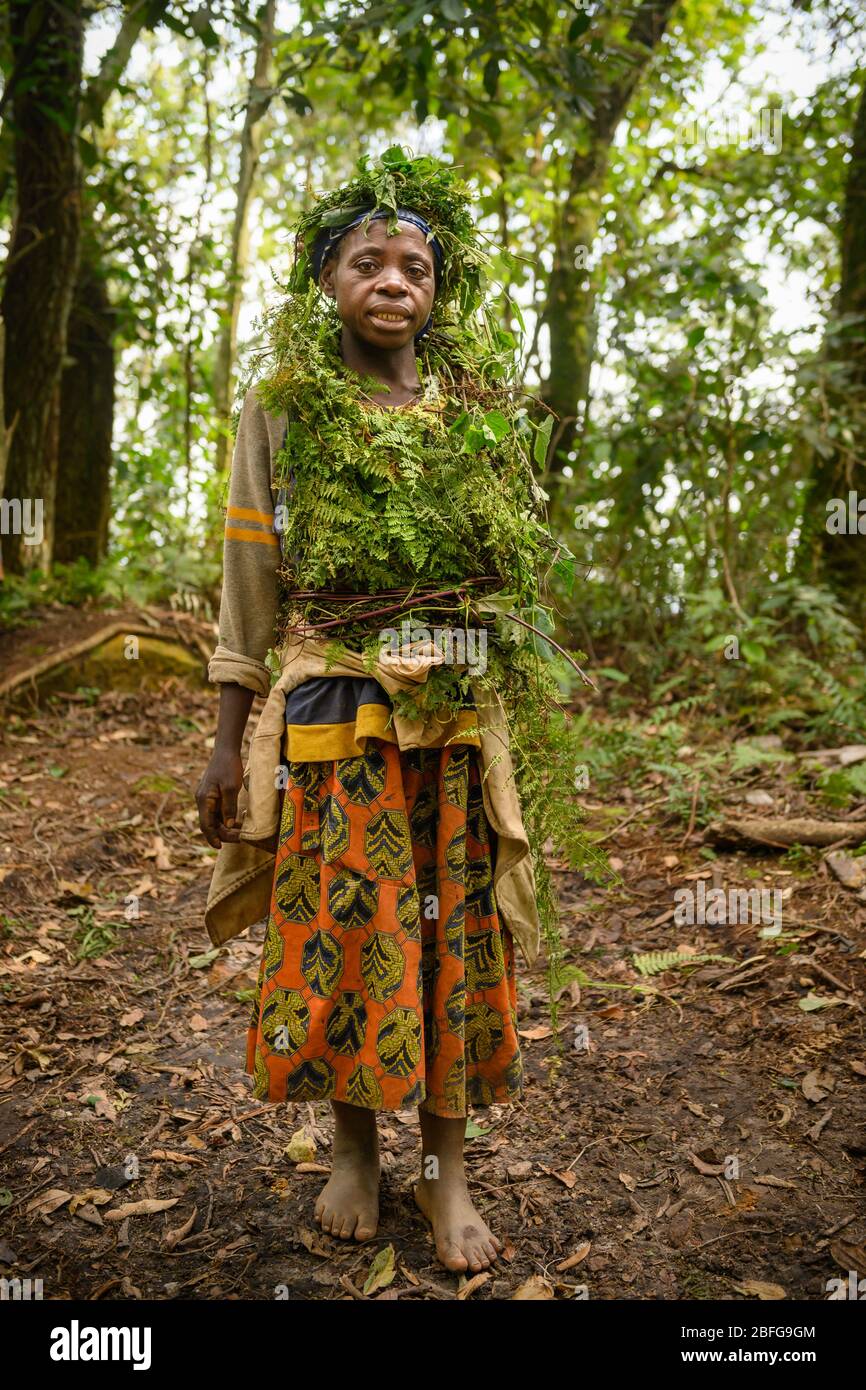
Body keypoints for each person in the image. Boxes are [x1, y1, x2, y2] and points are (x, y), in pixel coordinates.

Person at [197, 149, 546, 1277]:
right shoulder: (282, 412)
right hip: (334, 704)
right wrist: (222, 735)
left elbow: (510, 582)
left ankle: (447, 1172)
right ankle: (353, 1147)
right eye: (367, 261)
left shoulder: (476, 417)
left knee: (455, 935)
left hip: (448, 709)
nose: (393, 281)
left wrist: (470, 655)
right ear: (325, 280)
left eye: (416, 268)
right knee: (349, 930)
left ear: (438, 294)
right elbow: (251, 576)